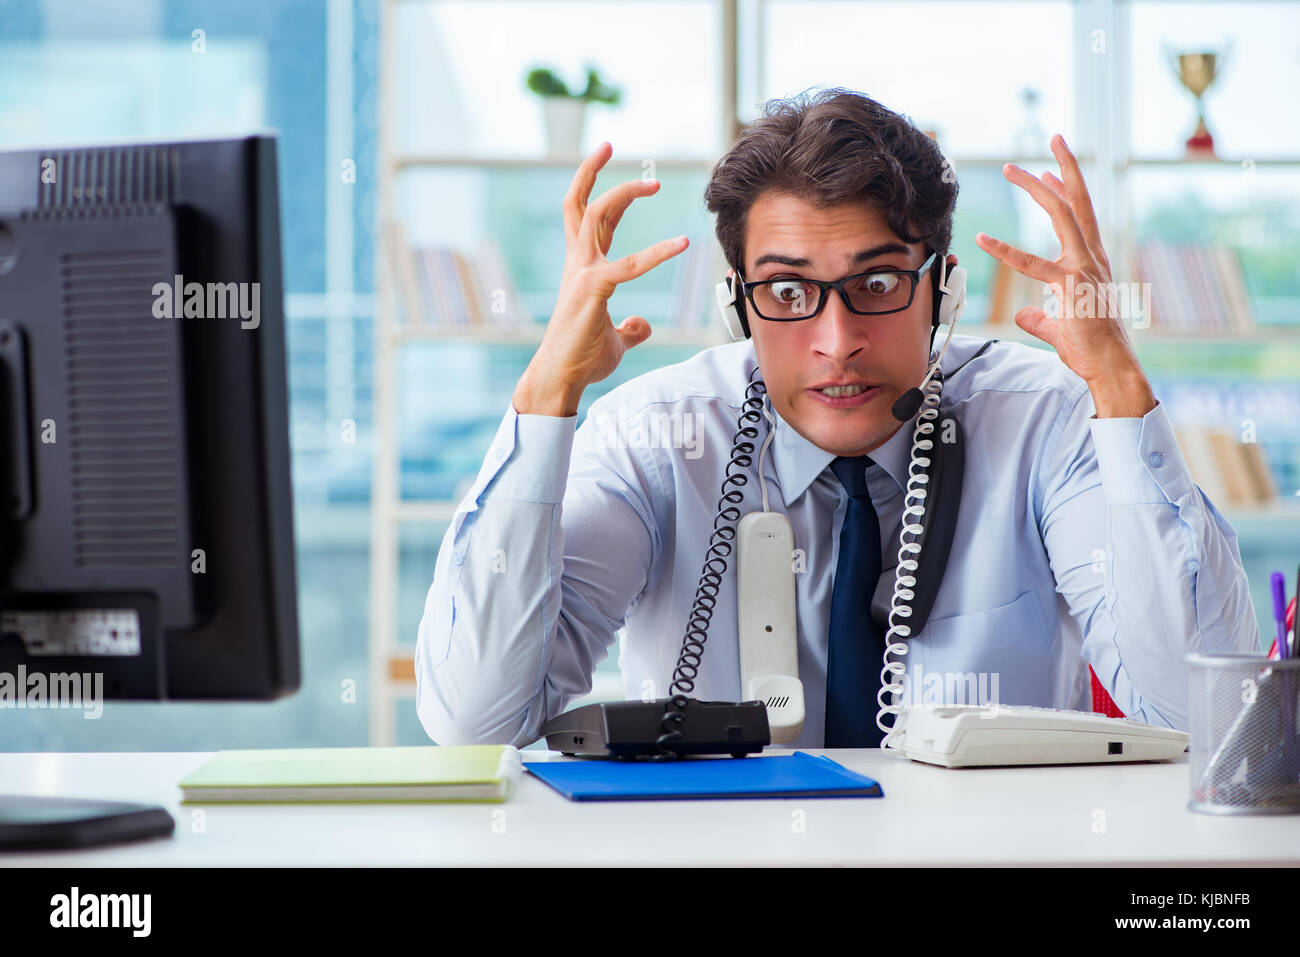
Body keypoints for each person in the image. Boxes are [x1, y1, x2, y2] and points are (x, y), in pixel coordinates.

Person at [415, 88, 1258, 750]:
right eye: (787, 292)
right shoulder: (658, 435)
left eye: (880, 283)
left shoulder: (1046, 422)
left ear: (945, 289)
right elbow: (474, 722)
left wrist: (1116, 381)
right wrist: (543, 402)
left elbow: (1201, 713)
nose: (837, 340)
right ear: (738, 308)